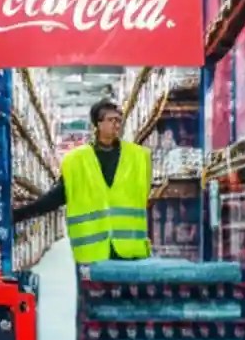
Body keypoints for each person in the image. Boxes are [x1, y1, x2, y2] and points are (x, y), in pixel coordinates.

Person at [13, 99, 151, 263]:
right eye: (111, 120)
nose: (116, 124)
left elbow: (146, 199)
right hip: (92, 252)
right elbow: (56, 197)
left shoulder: (139, 157)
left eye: (119, 120)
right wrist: (19, 214)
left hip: (130, 251)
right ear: (98, 124)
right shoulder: (75, 161)